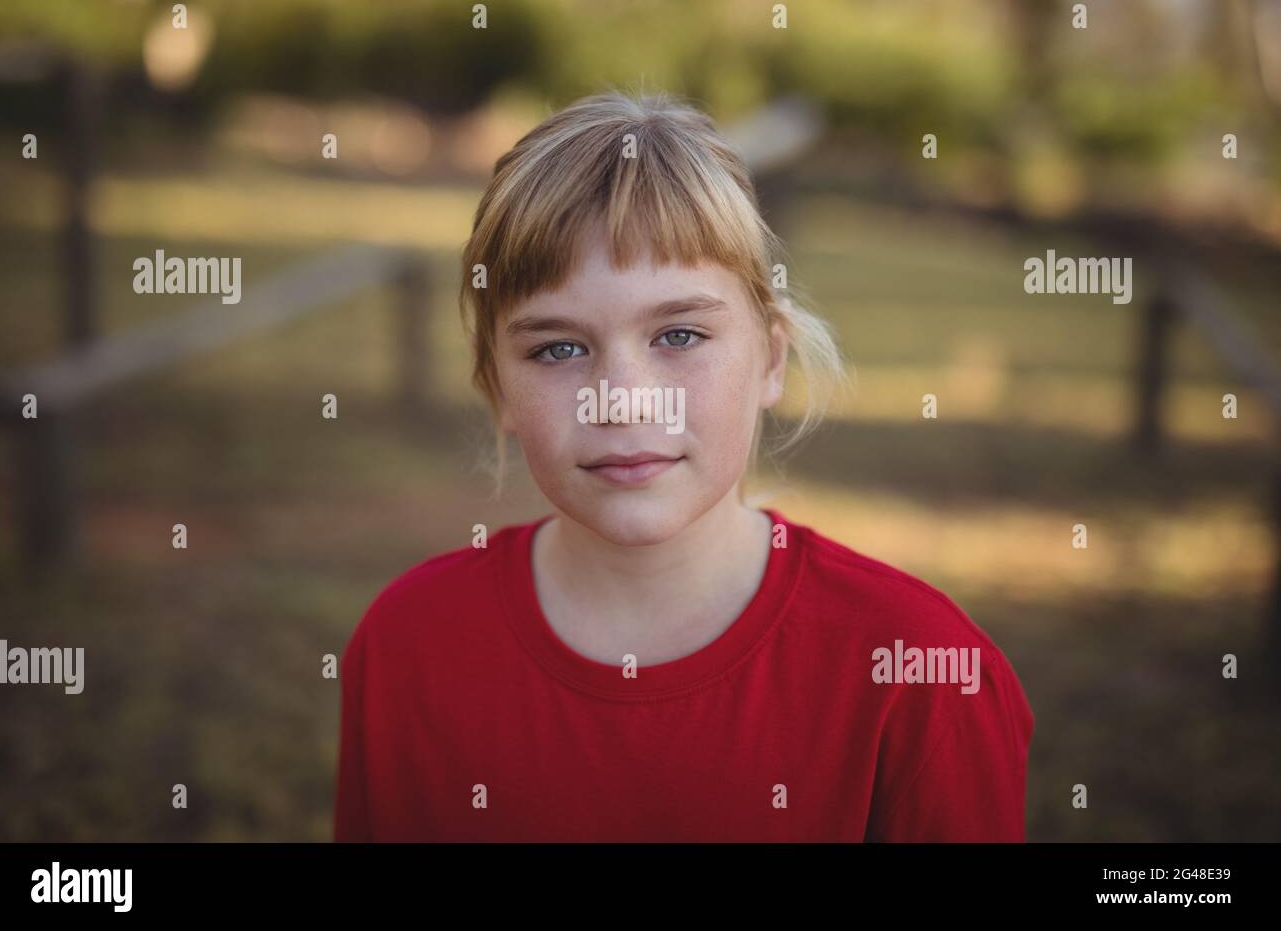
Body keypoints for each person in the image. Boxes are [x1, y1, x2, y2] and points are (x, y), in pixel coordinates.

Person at [334, 89, 1034, 841]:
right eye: (558, 349)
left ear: (769, 358)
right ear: (497, 387)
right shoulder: (408, 648)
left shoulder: (923, 674)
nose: (625, 403)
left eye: (679, 336)